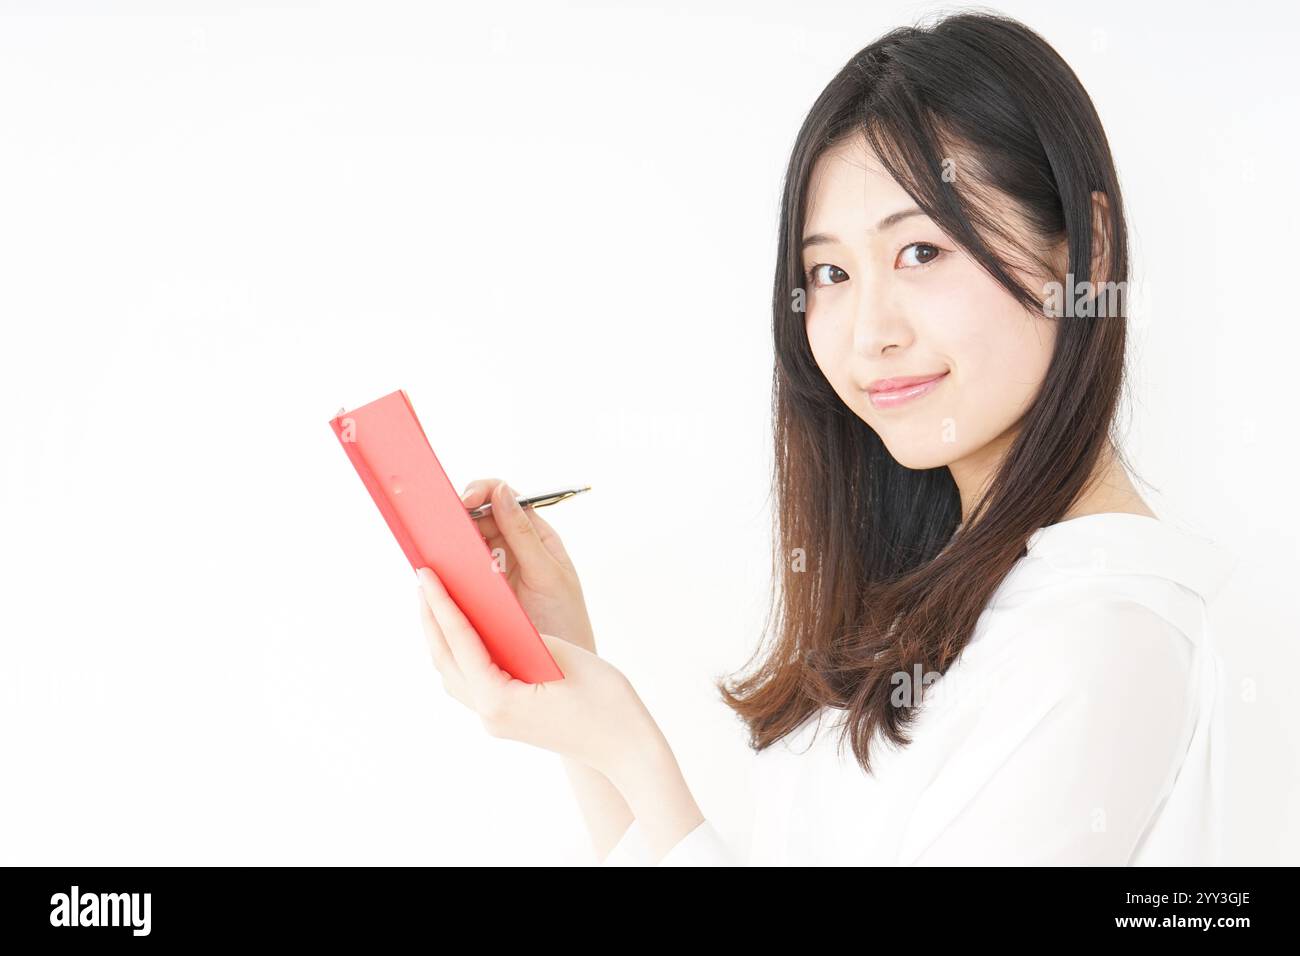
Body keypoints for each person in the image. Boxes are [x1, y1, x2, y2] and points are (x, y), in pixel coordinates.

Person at [414, 11, 1236, 866]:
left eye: (921, 251)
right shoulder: (962, 599)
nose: (867, 331)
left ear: (1089, 253)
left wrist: (632, 749)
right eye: (831, 273)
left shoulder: (1102, 643)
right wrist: (570, 682)